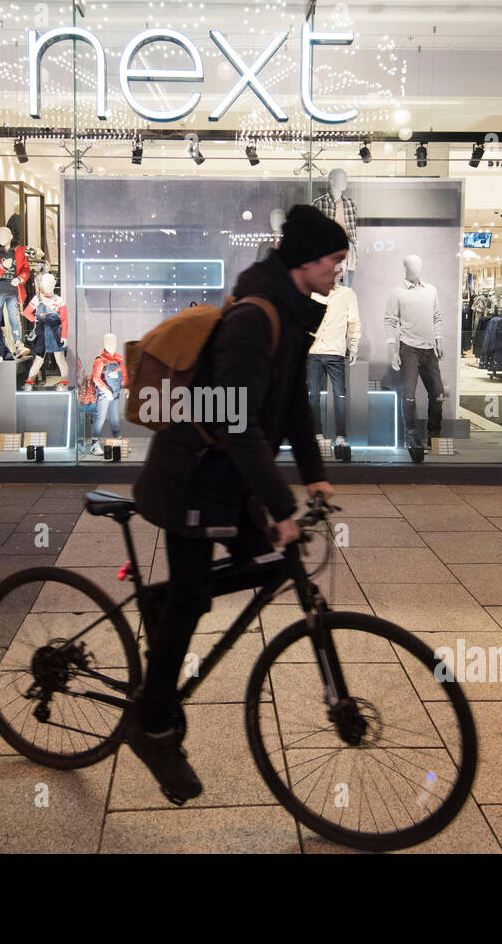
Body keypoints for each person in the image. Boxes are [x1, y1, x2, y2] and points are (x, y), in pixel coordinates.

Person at [130, 204, 342, 802]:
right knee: (195, 598)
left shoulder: (291, 314)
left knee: (253, 562)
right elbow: (237, 424)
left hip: (227, 479)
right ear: (304, 262)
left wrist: (315, 478)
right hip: (190, 478)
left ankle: (161, 601)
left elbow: (293, 406)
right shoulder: (255, 319)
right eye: (333, 261)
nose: (337, 273)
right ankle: (153, 724)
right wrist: (281, 506)